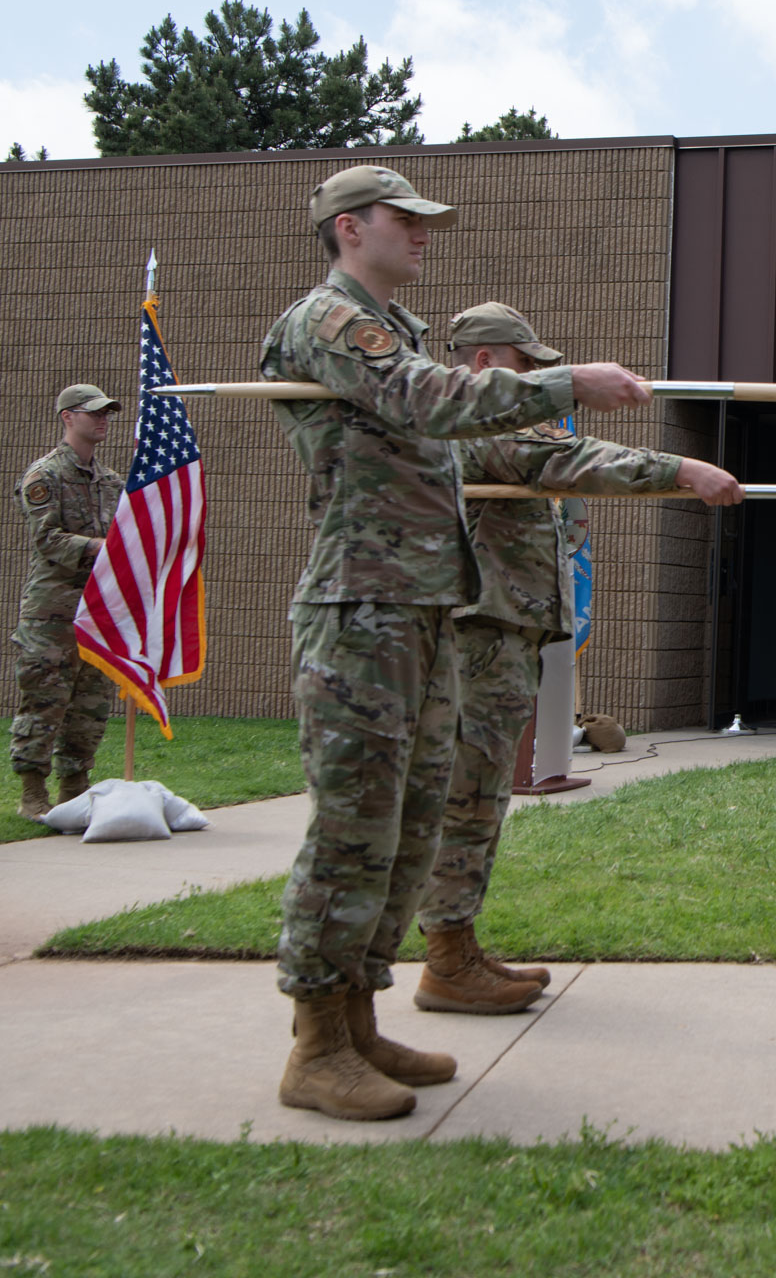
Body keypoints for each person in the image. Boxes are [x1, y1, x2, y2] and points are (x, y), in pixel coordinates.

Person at [263, 164, 657, 1121]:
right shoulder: (328, 320)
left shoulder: (392, 330)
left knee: (406, 825)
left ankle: (357, 1020)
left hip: (427, 606)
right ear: (350, 228)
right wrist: (566, 383)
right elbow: (427, 400)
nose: (424, 234)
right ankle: (316, 1043)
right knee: (355, 824)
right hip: (361, 607)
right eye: (408, 220)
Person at [414, 302, 742, 1014]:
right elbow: (562, 459)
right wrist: (682, 468)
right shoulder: (470, 421)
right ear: (483, 364)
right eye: (526, 366)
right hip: (480, 632)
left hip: (505, 631)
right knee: (467, 796)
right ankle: (445, 957)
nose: (535, 379)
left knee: (481, 796)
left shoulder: (492, 419)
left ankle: (456, 945)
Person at [11, 384, 124, 818]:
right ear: (67, 417)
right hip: (51, 611)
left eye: (107, 413)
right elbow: (48, 540)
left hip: (97, 608)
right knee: (44, 700)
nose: (102, 420)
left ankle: (75, 786)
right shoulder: (44, 476)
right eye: (92, 412)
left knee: (91, 701)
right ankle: (32, 790)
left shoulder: (112, 482)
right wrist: (105, 549)